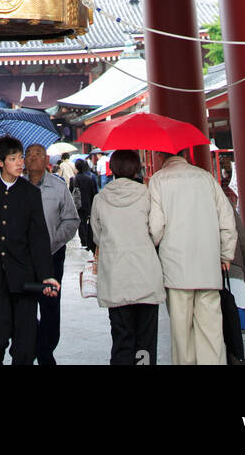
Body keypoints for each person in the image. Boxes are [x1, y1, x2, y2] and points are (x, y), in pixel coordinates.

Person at [0, 135, 61, 366]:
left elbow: (39, 237)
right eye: (13, 158)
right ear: (0, 162)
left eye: (21, 157)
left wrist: (46, 274)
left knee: (24, 344)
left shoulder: (30, 193)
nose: (20, 162)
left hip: (24, 275)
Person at [148, 149, 237, 366]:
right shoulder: (205, 177)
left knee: (181, 334)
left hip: (176, 268)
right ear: (185, 153)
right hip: (208, 266)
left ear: (160, 156)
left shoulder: (158, 180)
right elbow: (227, 219)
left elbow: (156, 227)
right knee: (211, 332)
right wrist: (226, 254)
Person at [89, 149, 165, 366]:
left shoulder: (100, 199)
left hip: (116, 277)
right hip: (145, 275)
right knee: (145, 341)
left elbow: (97, 235)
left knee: (122, 338)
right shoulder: (147, 194)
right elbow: (157, 230)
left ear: (112, 169)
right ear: (137, 168)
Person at [25, 142, 80, 365]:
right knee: (24, 305)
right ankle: (33, 346)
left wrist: (52, 241)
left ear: (46, 159)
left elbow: (71, 220)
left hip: (52, 255)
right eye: (27, 154)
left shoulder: (58, 187)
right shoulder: (17, 187)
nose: (31, 158)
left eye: (37, 154)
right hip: (25, 258)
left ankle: (46, 351)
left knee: (49, 306)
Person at [71, 157, 98, 249]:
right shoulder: (89, 178)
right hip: (88, 203)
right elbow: (93, 192)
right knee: (88, 222)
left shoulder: (73, 179)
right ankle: (89, 239)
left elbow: (71, 193)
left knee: (81, 222)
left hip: (78, 204)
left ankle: (83, 241)